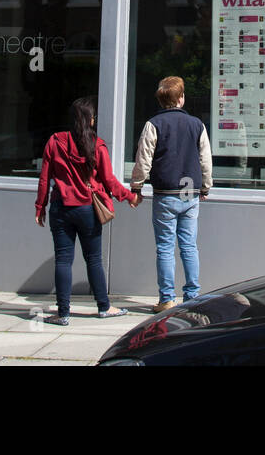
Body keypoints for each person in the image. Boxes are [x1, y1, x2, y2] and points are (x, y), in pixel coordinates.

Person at [35, 95, 138, 325]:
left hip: (61, 208)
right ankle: (103, 307)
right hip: (87, 209)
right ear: (90, 120)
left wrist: (40, 206)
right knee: (93, 259)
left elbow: (44, 178)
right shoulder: (97, 145)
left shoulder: (55, 141)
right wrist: (129, 196)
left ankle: (62, 313)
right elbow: (109, 180)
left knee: (63, 260)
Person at [130, 75, 213, 312]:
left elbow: (143, 159)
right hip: (190, 192)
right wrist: (205, 186)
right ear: (181, 98)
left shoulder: (153, 124)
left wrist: (137, 186)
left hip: (165, 191)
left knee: (165, 247)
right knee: (189, 245)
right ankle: (192, 296)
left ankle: (167, 298)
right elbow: (205, 159)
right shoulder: (197, 125)